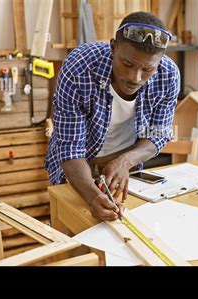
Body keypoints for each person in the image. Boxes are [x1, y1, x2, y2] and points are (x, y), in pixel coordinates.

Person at [45, 12, 180, 221]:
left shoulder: (169, 75)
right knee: (78, 227)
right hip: (78, 163)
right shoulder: (80, 67)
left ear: (160, 61)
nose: (134, 77)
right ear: (113, 46)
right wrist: (92, 197)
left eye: (147, 69)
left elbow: (158, 134)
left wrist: (126, 161)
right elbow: (70, 148)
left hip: (124, 163)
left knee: (120, 231)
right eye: (127, 64)